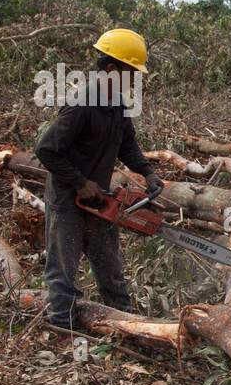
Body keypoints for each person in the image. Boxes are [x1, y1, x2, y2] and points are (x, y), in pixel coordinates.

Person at [34, 28, 163, 331]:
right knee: (63, 269)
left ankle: (123, 322)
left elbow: (126, 143)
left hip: (99, 198)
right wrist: (80, 182)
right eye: (131, 73)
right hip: (68, 198)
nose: (134, 81)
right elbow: (46, 150)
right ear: (110, 69)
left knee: (110, 266)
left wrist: (147, 171)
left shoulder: (117, 102)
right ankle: (62, 327)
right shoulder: (82, 103)